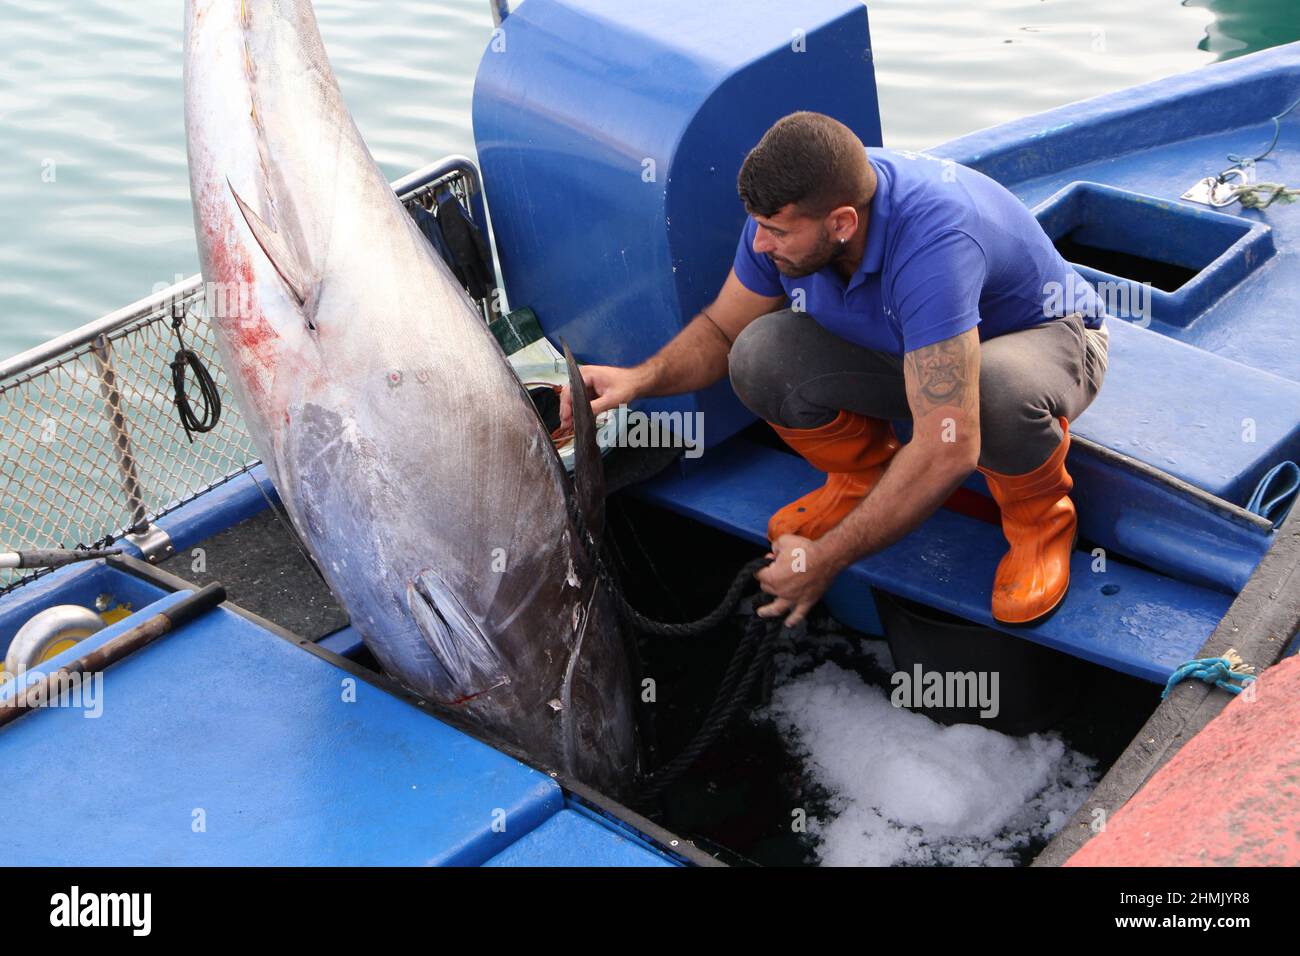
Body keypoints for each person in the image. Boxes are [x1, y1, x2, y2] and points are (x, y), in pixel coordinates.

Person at [560, 111, 1109, 629]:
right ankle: (859, 478)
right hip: (911, 348)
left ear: (843, 222)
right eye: (757, 225)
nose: (758, 242)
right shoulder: (791, 216)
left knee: (993, 389)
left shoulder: (936, 242)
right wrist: (638, 380)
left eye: (776, 230)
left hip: (1045, 339)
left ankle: (1040, 523)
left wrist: (826, 559)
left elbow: (949, 444)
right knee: (757, 352)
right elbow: (722, 331)